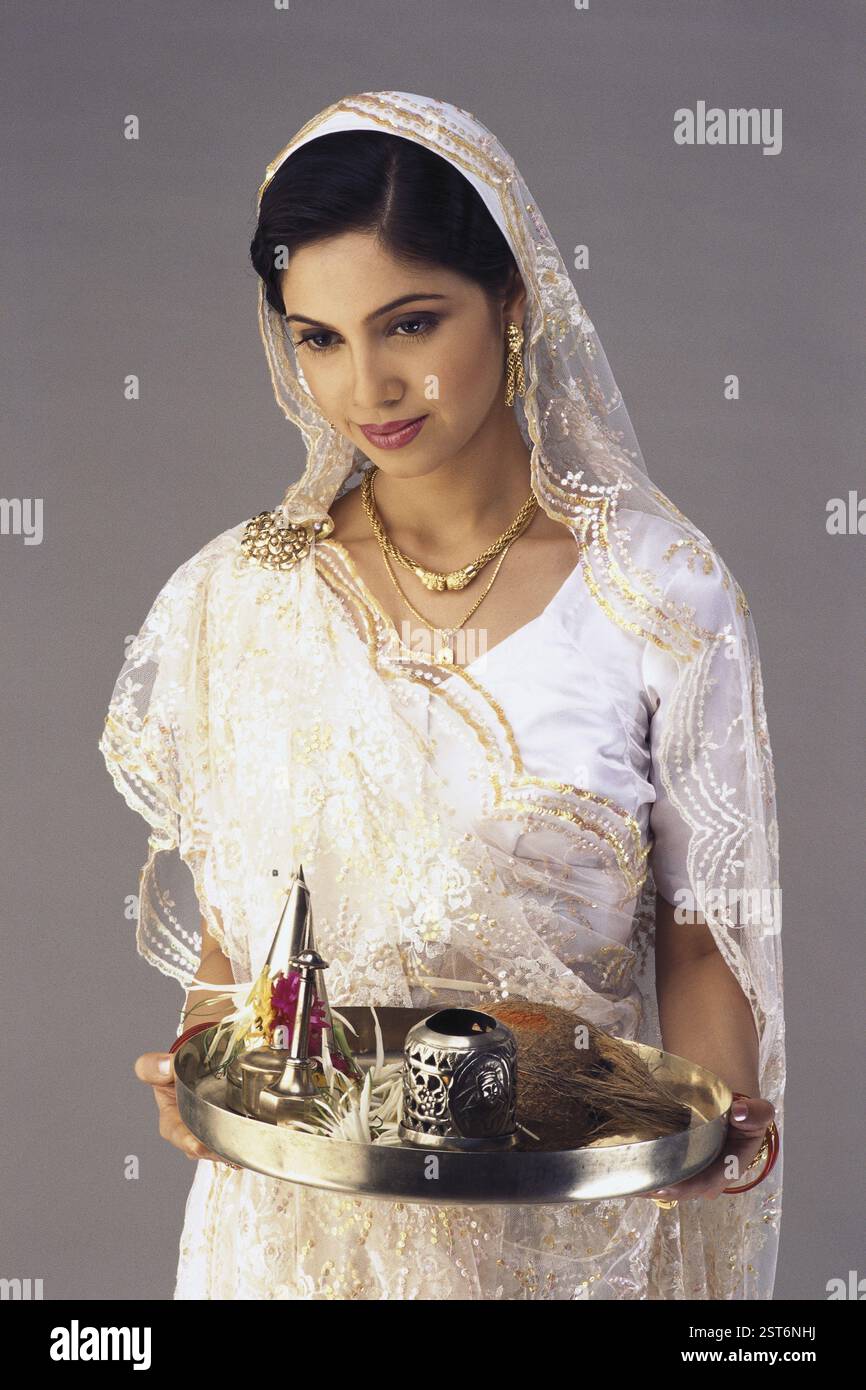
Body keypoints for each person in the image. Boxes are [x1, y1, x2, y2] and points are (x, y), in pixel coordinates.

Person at [99, 90, 784, 1300]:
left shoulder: (658, 598)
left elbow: (697, 933)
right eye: (317, 337)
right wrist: (200, 1078)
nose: (368, 386)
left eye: (410, 322)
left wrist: (711, 1118)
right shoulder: (240, 597)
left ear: (512, 301)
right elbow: (240, 937)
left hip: (557, 1242)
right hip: (288, 1240)